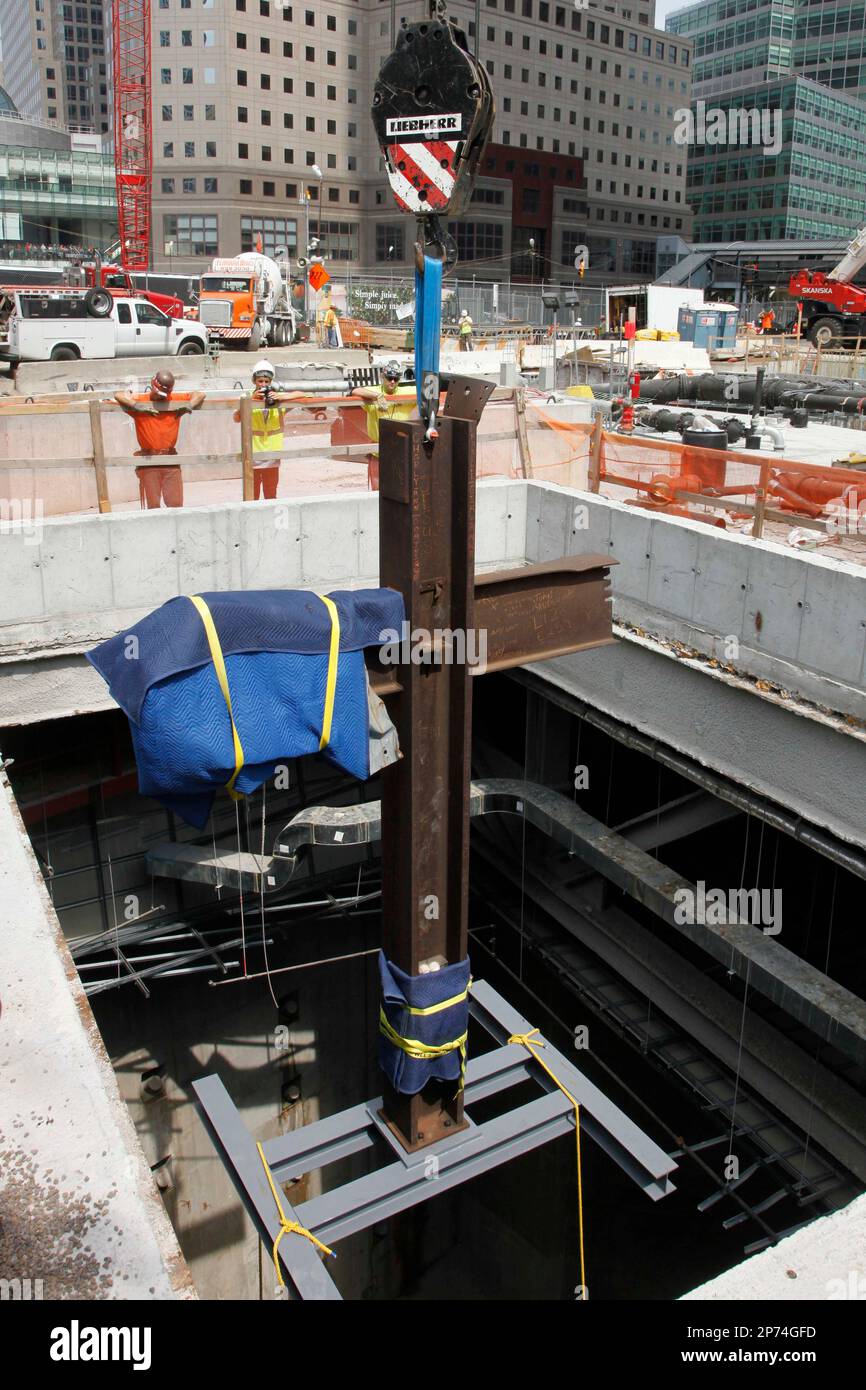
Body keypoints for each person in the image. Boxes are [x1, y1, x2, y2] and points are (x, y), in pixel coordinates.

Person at [114, 371, 204, 509]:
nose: (163, 398)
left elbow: (200, 394)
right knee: (153, 506)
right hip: (149, 459)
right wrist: (135, 406)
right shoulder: (141, 400)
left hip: (170, 458)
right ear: (153, 386)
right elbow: (118, 395)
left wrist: (189, 405)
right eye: (161, 394)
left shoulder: (173, 400)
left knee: (176, 504)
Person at [232, 360, 304, 501]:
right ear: (254, 381)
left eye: (266, 381)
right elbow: (236, 418)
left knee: (271, 494)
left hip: (272, 454)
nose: (263, 385)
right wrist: (251, 401)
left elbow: (306, 395)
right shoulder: (246, 397)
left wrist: (283, 397)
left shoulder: (277, 398)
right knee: (252, 495)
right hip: (253, 454)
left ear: (271, 381)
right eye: (260, 381)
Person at [351, 361, 416, 489]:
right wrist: (377, 396)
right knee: (377, 489)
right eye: (389, 378)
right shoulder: (374, 391)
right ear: (382, 376)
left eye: (396, 379)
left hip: (400, 450)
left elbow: (428, 391)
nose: (392, 381)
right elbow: (355, 390)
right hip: (378, 451)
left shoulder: (406, 391)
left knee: (401, 488)